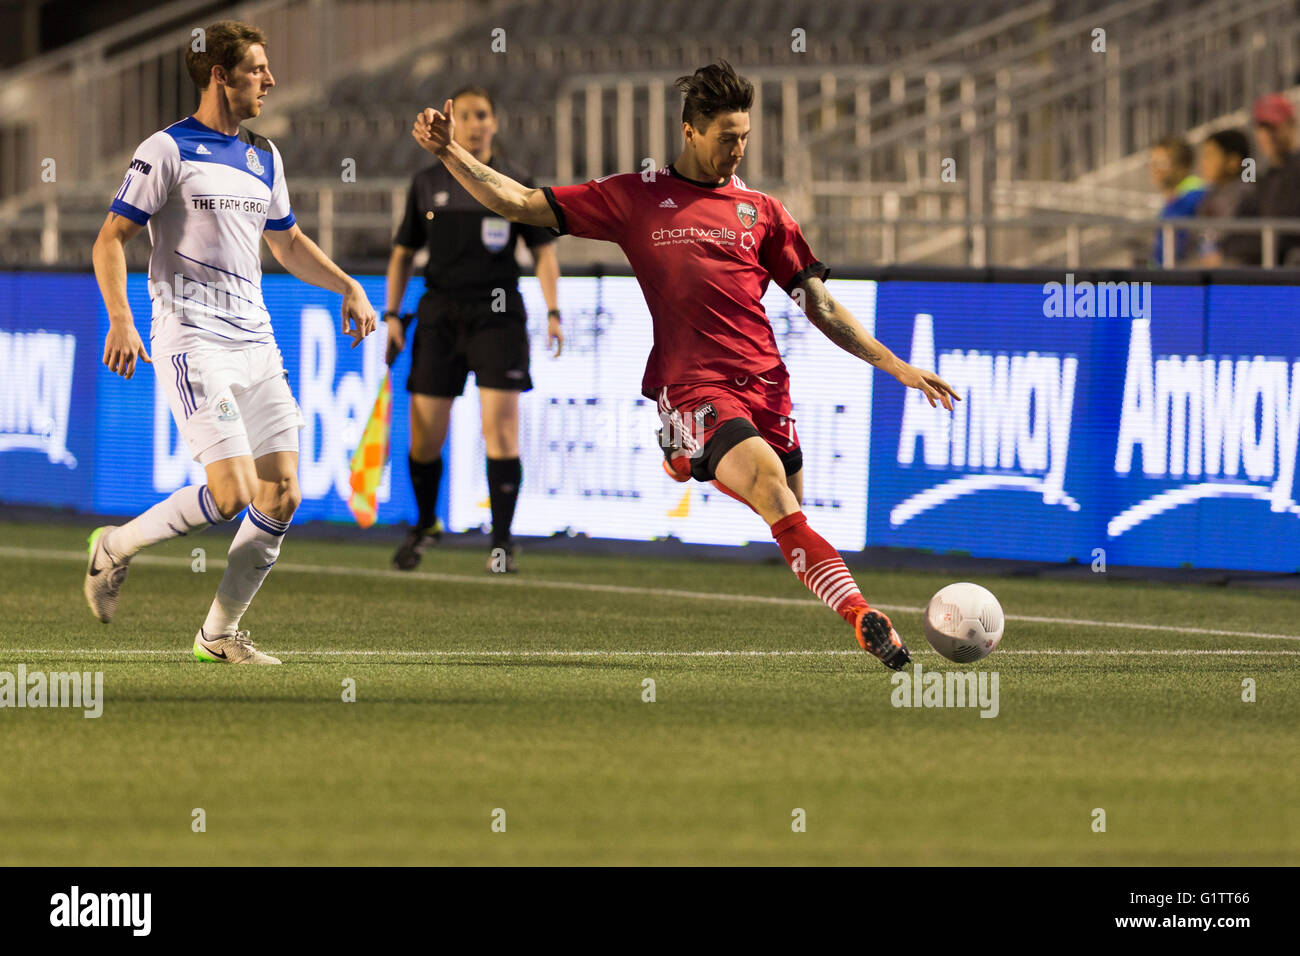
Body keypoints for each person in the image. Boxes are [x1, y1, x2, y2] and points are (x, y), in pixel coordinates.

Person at [410, 61, 960, 670]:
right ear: (690, 131)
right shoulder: (637, 197)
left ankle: (684, 453)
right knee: (772, 489)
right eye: (727, 136)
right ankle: (862, 614)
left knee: (790, 512)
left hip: (768, 387)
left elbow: (820, 306)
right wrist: (450, 153)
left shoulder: (764, 213)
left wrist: (897, 366)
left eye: (745, 136)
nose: (738, 148)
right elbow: (516, 201)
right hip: (695, 384)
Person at [86, 20, 378, 664]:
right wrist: (121, 318)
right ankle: (113, 547)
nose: (270, 81)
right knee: (232, 493)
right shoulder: (166, 149)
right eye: (257, 70)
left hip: (257, 343)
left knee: (283, 493)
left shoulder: (263, 156)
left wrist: (348, 285)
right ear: (220, 74)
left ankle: (217, 634)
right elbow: (110, 239)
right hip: (192, 339)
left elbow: (288, 242)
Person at [385, 86, 561, 574]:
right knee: (425, 437)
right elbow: (403, 252)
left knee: (500, 430)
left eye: (483, 114)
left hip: (497, 317)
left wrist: (553, 311)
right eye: (465, 115)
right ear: (452, 122)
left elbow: (544, 252)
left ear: (495, 122)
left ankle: (501, 543)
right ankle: (424, 526)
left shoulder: (515, 182)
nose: (476, 122)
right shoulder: (425, 183)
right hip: (439, 314)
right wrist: (393, 315)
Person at [1236, 93, 1300, 266]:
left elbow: (1285, 233)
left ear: (1291, 125)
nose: (1268, 135)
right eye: (1262, 128)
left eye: (1274, 127)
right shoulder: (1264, 179)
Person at [1195, 129, 1253, 267]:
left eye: (1210, 156)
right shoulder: (1208, 195)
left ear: (1233, 162)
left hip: (1232, 270)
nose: (1204, 163)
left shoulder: (1246, 196)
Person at [1148, 136, 1207, 267]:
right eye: (1152, 161)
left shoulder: (1195, 195)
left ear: (1183, 166)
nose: (1154, 168)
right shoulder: (1172, 198)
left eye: (1162, 162)